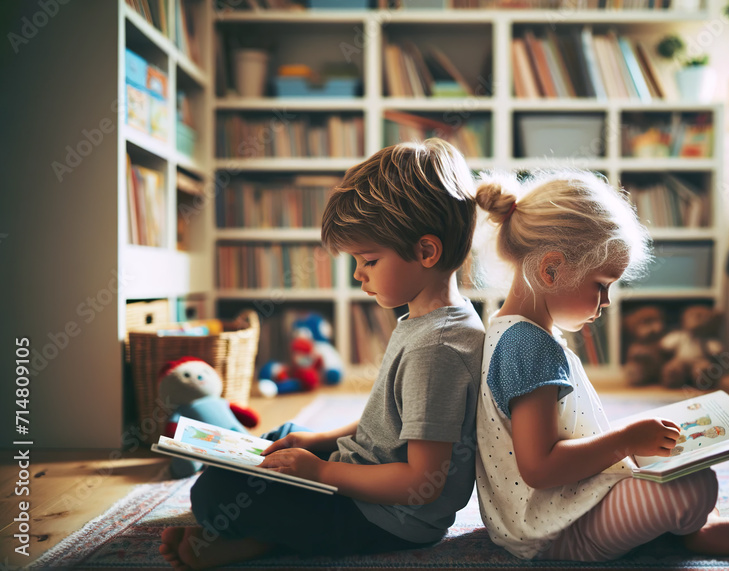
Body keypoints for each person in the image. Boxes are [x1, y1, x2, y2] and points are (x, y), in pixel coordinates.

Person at [160, 139, 485, 569]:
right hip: (366, 480)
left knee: (216, 493)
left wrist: (321, 472)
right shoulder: (428, 321)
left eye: (369, 260)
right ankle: (261, 532)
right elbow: (391, 426)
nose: (358, 274)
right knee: (284, 438)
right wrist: (319, 443)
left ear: (426, 251)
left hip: (386, 518)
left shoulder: (437, 349)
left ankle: (258, 542)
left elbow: (420, 483)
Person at [473, 169, 729, 562]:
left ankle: (694, 525)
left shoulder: (518, 333)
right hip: (555, 529)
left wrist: (630, 441)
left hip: (561, 506)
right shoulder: (527, 346)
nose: (606, 302)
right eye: (601, 285)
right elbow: (539, 468)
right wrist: (624, 441)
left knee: (672, 456)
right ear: (551, 270)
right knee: (695, 487)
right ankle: (697, 532)